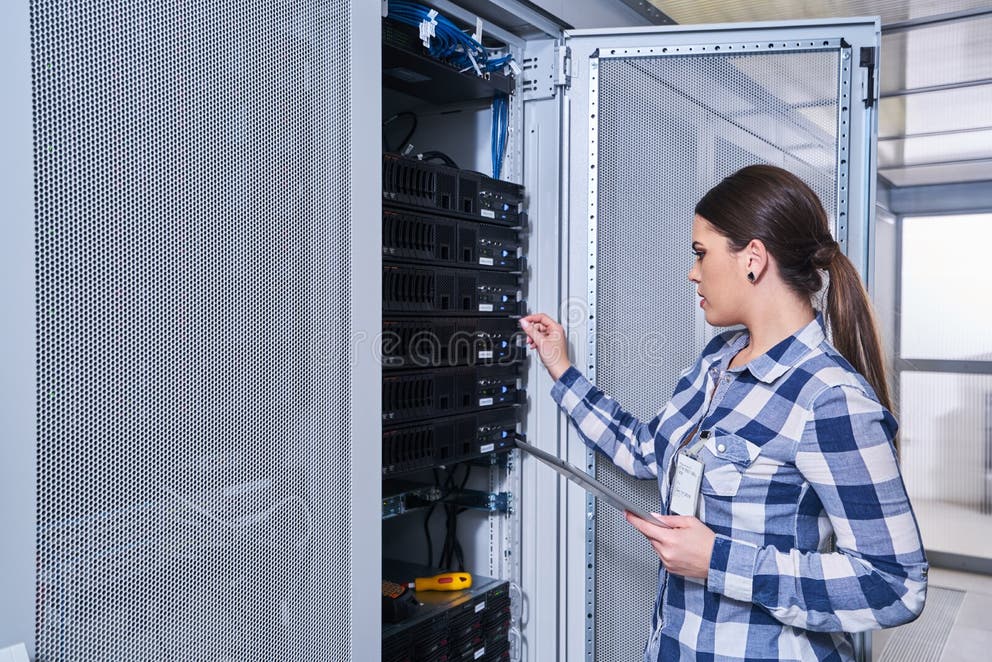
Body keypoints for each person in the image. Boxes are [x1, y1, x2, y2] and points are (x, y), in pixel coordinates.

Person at [518, 165, 927, 662]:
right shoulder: (718, 360)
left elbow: (896, 584)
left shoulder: (830, 399)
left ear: (752, 259)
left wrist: (717, 559)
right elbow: (646, 448)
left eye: (701, 253)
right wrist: (561, 368)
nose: (693, 272)